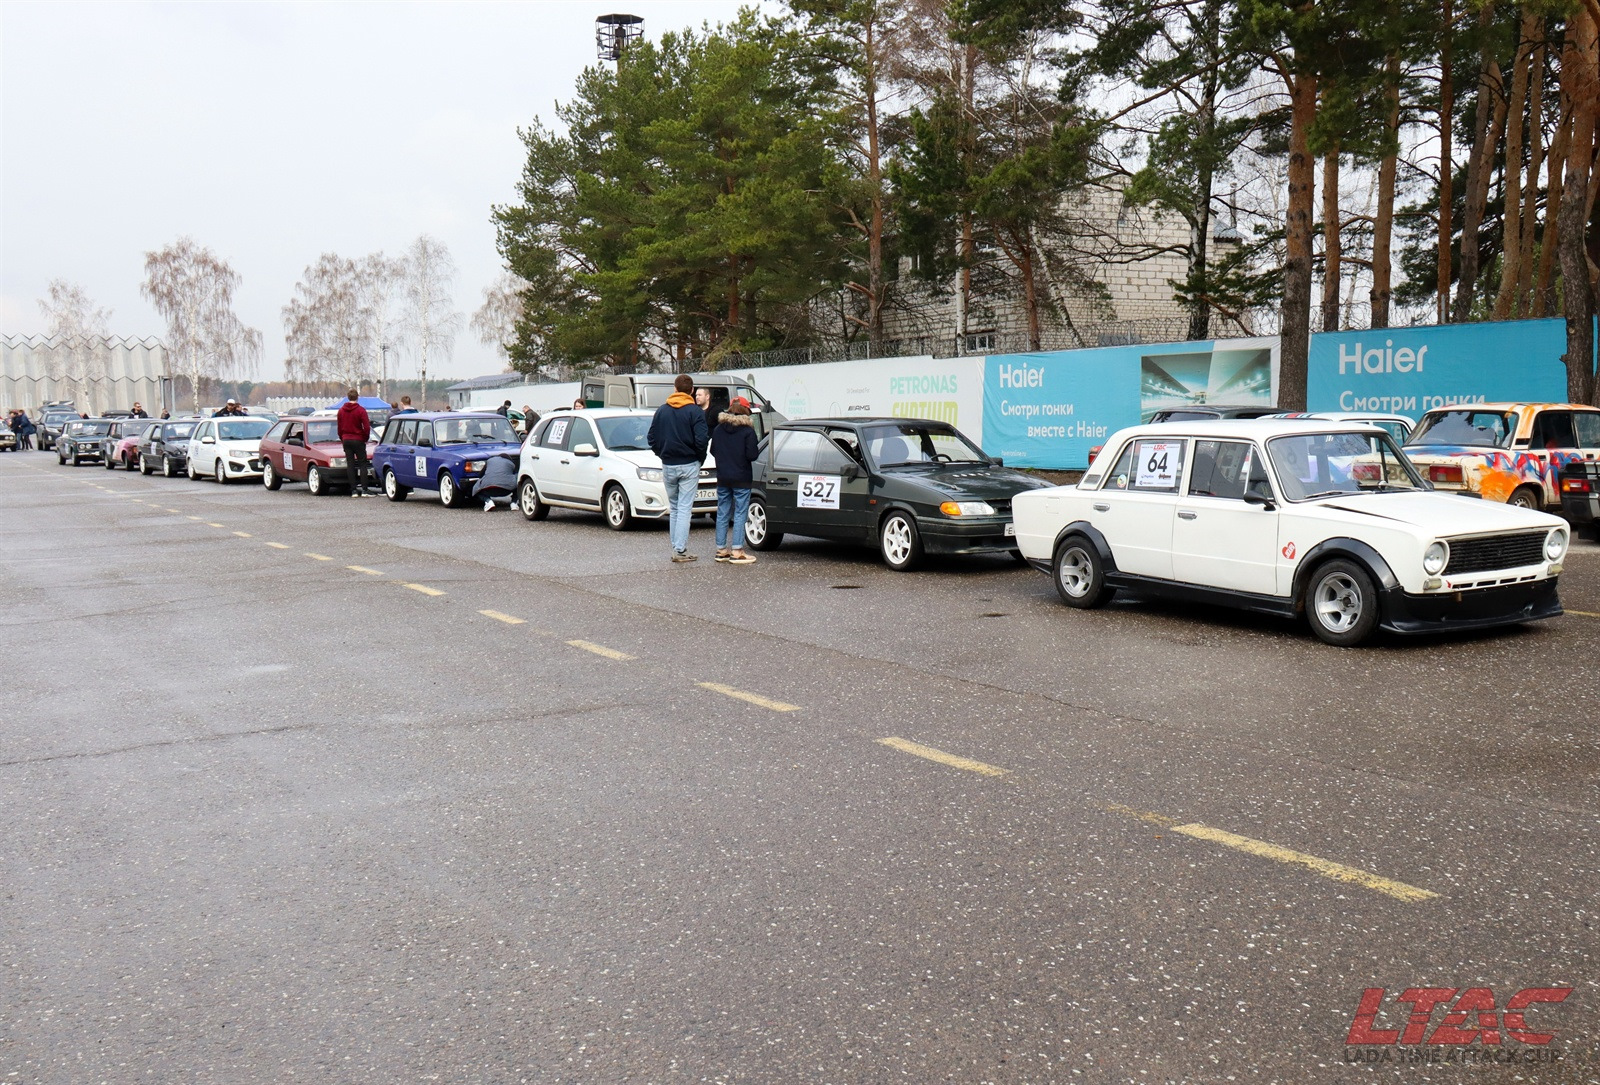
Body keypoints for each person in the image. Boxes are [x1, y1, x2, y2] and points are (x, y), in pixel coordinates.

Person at [646, 373, 709, 562]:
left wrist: (662, 453)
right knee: (684, 508)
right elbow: (702, 440)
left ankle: (676, 547)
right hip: (689, 463)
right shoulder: (695, 411)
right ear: (691, 391)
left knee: (674, 508)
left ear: (674, 389)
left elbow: (652, 438)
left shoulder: (662, 411)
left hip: (668, 464)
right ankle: (680, 550)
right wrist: (700, 458)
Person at [710, 399, 761, 564]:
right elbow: (752, 455)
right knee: (740, 513)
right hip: (741, 477)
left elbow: (713, 450)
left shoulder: (718, 429)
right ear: (746, 411)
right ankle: (737, 551)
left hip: (723, 477)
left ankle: (721, 550)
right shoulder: (748, 431)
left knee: (722, 512)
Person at [336, 389, 374, 497]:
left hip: (346, 439)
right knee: (362, 464)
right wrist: (365, 438)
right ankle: (365, 489)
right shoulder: (361, 410)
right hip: (358, 439)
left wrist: (342, 438)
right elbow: (366, 427)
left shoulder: (341, 411)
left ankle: (353, 490)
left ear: (348, 397)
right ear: (358, 397)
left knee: (350, 464)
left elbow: (339, 427)